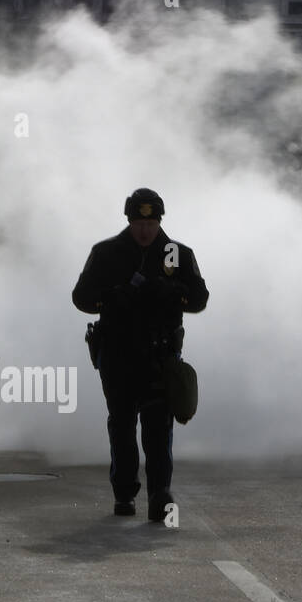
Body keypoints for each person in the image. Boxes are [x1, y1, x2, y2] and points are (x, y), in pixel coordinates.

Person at [72, 188, 208, 521]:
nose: (144, 229)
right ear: (129, 220)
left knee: (158, 428)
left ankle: (160, 494)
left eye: (150, 221)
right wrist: (111, 297)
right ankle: (124, 492)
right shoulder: (107, 253)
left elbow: (199, 298)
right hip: (118, 355)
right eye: (138, 221)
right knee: (121, 425)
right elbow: (81, 297)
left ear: (159, 220)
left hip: (160, 357)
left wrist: (173, 292)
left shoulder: (175, 253)